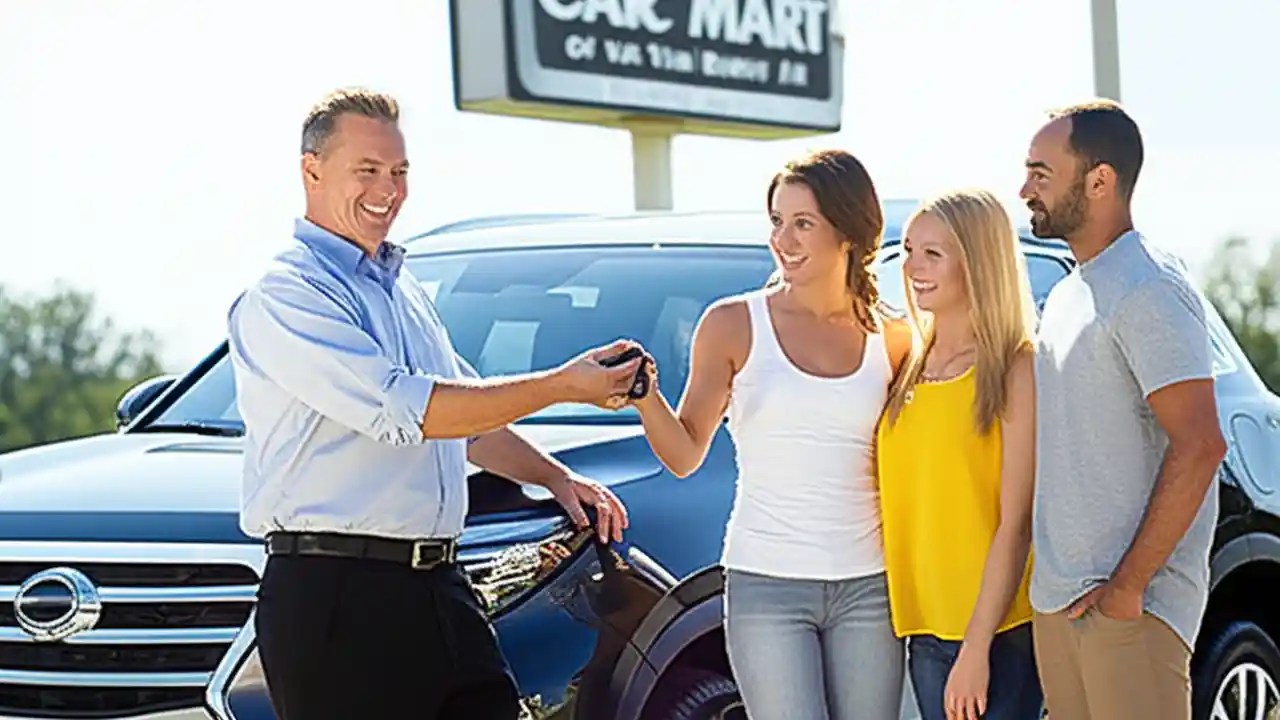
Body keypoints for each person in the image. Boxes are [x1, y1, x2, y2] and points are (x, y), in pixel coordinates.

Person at [226, 87, 645, 720]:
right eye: (366, 170)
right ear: (311, 170)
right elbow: (409, 412)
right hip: (338, 601)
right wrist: (562, 384)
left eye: (398, 172)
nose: (387, 189)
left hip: (442, 589)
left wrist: (555, 477)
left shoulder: (403, 290)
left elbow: (466, 423)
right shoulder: (290, 295)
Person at [631, 149, 913, 720]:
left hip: (871, 586)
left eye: (802, 224)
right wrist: (644, 397)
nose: (783, 240)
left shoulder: (896, 338)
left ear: (851, 233)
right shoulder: (733, 324)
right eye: (777, 222)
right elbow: (685, 453)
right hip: (768, 584)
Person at [1021, 99, 1227, 720]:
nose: (1024, 189)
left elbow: (1200, 445)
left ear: (1100, 181)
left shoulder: (1148, 290)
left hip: (1130, 615)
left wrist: (1129, 588)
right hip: (1064, 605)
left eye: (1041, 173)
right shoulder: (1066, 294)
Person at [876, 189, 1044, 720]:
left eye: (934, 253)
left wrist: (976, 650)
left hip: (997, 635)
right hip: (925, 629)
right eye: (908, 249)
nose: (913, 267)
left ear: (978, 262)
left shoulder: (1014, 368)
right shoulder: (907, 361)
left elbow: (1016, 523)